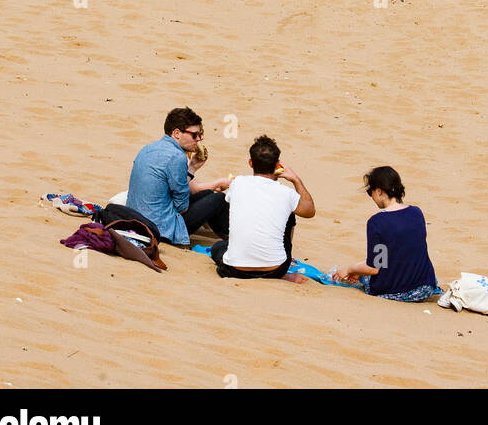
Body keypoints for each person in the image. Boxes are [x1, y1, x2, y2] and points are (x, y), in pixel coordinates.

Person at [211, 134, 314, 280]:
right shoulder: (286, 193)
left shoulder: (237, 183)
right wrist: (296, 180)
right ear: (278, 165)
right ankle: (281, 271)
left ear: (250, 163)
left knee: (217, 247)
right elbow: (309, 211)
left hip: (234, 270)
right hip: (276, 269)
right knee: (290, 211)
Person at [332, 166, 440, 301]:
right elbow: (401, 251)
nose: (371, 196)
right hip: (425, 286)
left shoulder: (377, 222)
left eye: (370, 192)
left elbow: (375, 267)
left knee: (366, 278)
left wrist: (349, 269)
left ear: (379, 191)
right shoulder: (416, 213)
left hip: (396, 291)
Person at [126, 107, 230, 247]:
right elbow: (182, 207)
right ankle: (234, 236)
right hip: (160, 229)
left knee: (207, 194)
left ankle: (227, 234)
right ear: (176, 133)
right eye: (195, 135)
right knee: (218, 199)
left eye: (201, 134)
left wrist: (192, 168)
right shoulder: (177, 157)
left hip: (136, 219)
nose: (199, 139)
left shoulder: (147, 148)